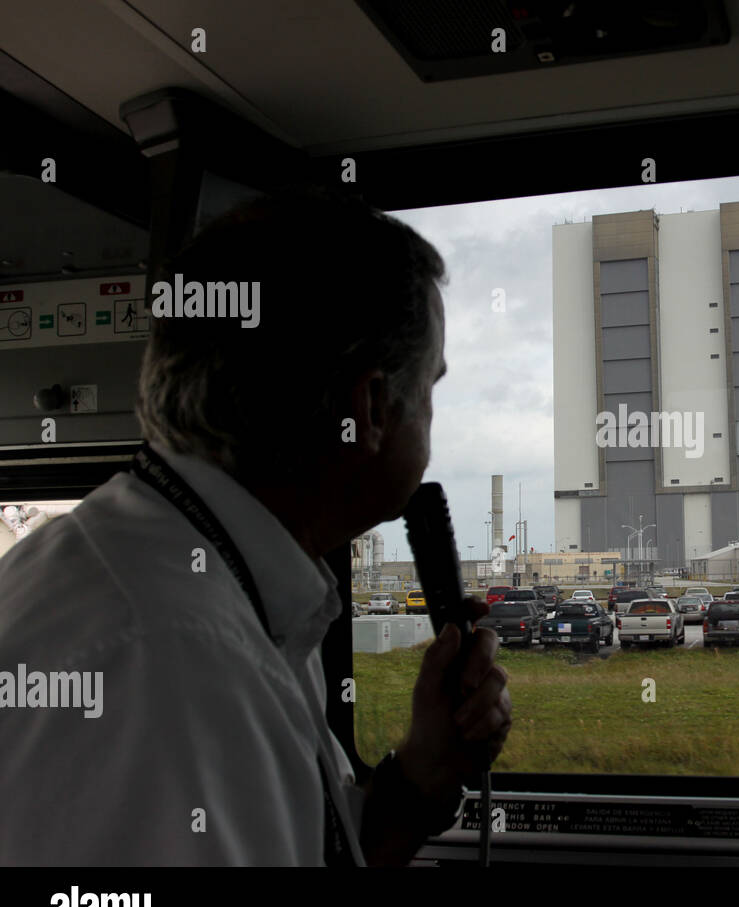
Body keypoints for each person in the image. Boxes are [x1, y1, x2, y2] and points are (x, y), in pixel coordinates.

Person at [0, 188, 511, 865]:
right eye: (431, 388)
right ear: (373, 407)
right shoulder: (174, 664)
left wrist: (423, 774)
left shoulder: (213, 588)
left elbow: (317, 848)